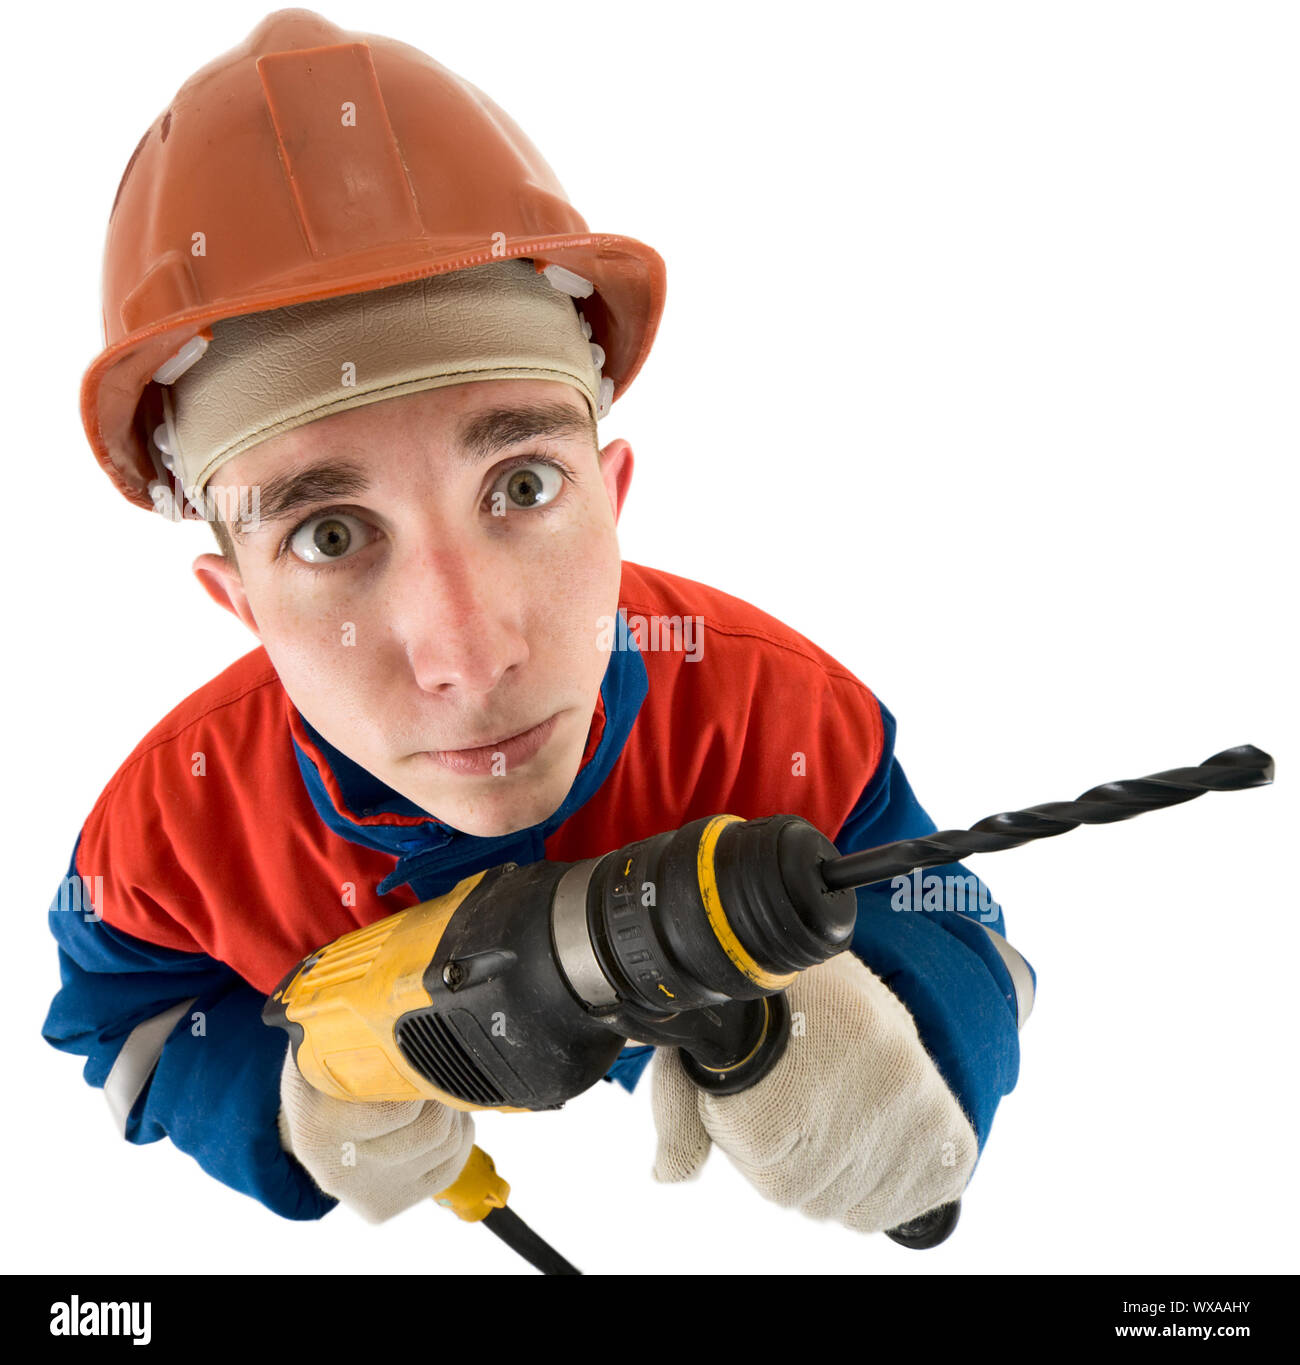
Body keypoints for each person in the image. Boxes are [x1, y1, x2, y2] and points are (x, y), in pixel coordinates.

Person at [44, 9, 1033, 1239]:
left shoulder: (769, 716)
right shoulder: (174, 831)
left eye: (520, 487)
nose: (472, 654)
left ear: (611, 502)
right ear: (238, 604)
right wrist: (287, 1107)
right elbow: (124, 1016)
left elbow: (951, 917)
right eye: (330, 535)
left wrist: (914, 1038)